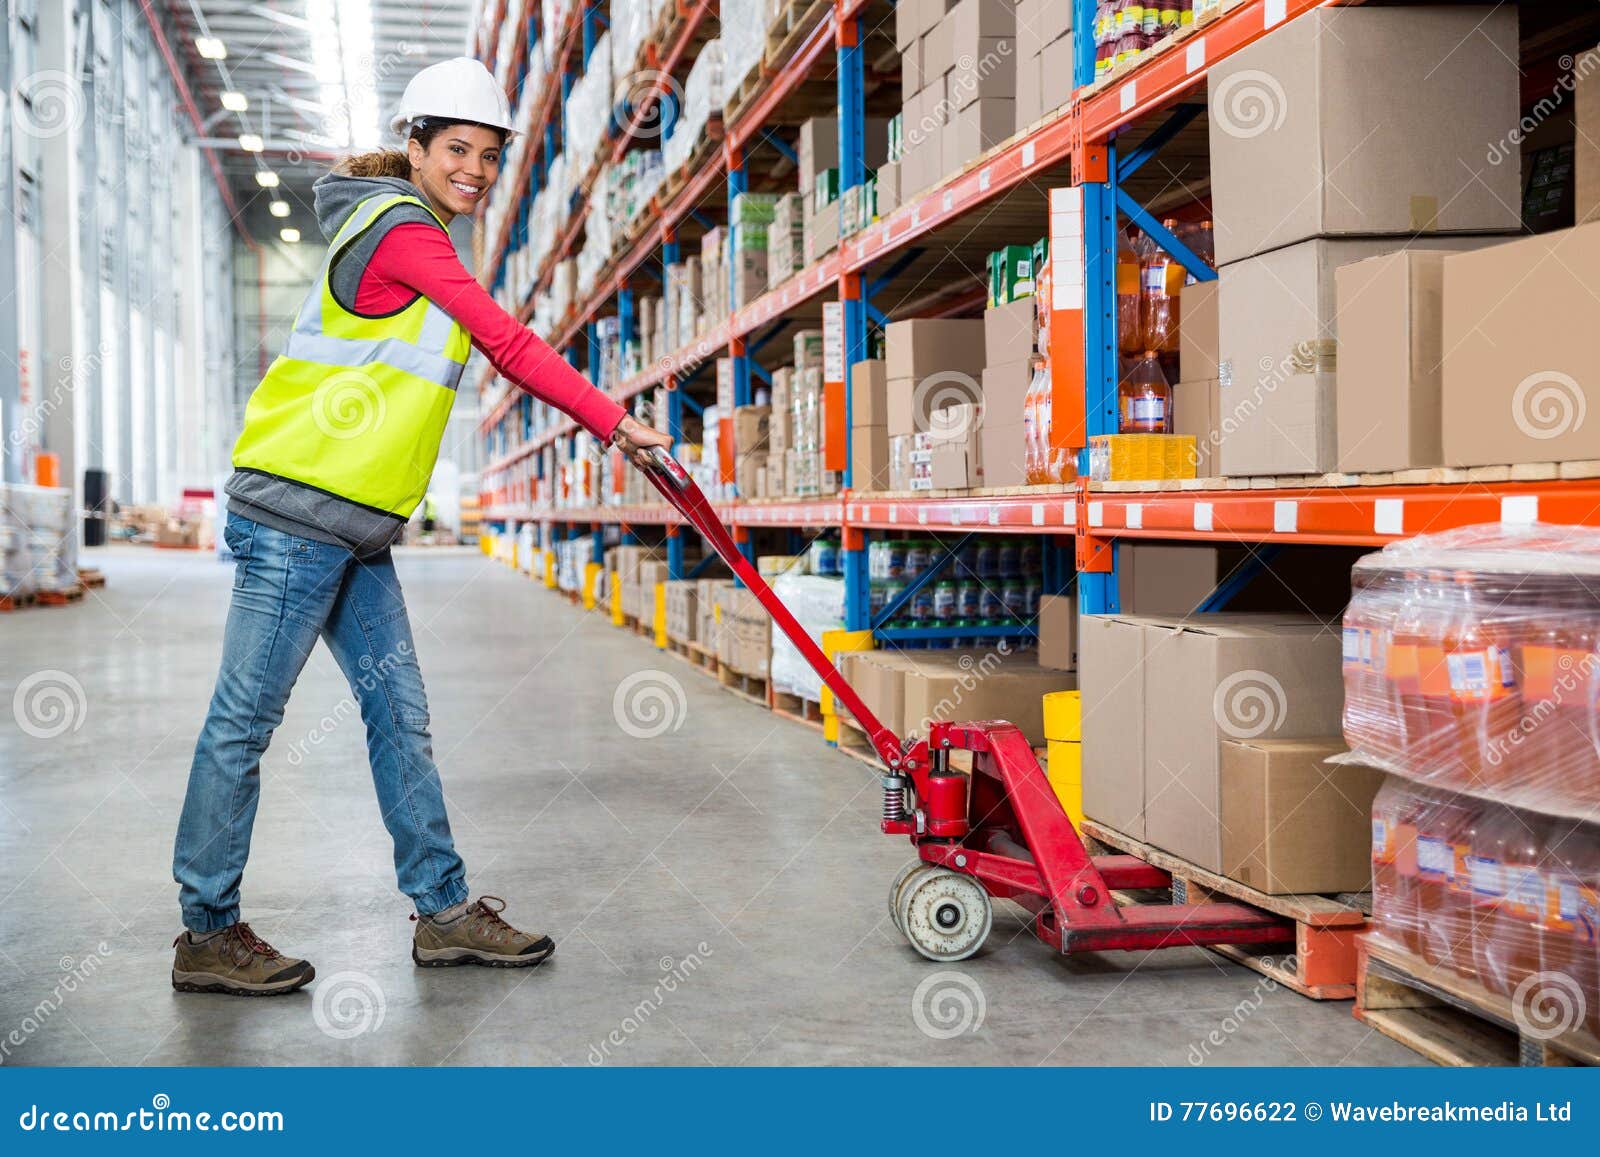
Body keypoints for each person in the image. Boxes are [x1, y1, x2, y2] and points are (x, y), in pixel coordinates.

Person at [171, 57, 673, 996]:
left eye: (488, 154)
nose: (475, 170)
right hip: (293, 515)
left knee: (401, 716)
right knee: (243, 722)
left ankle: (442, 913)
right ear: (415, 146)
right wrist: (617, 423)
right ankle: (205, 928)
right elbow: (510, 344)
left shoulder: (415, 230)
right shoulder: (401, 227)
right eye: (457, 150)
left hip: (353, 530)